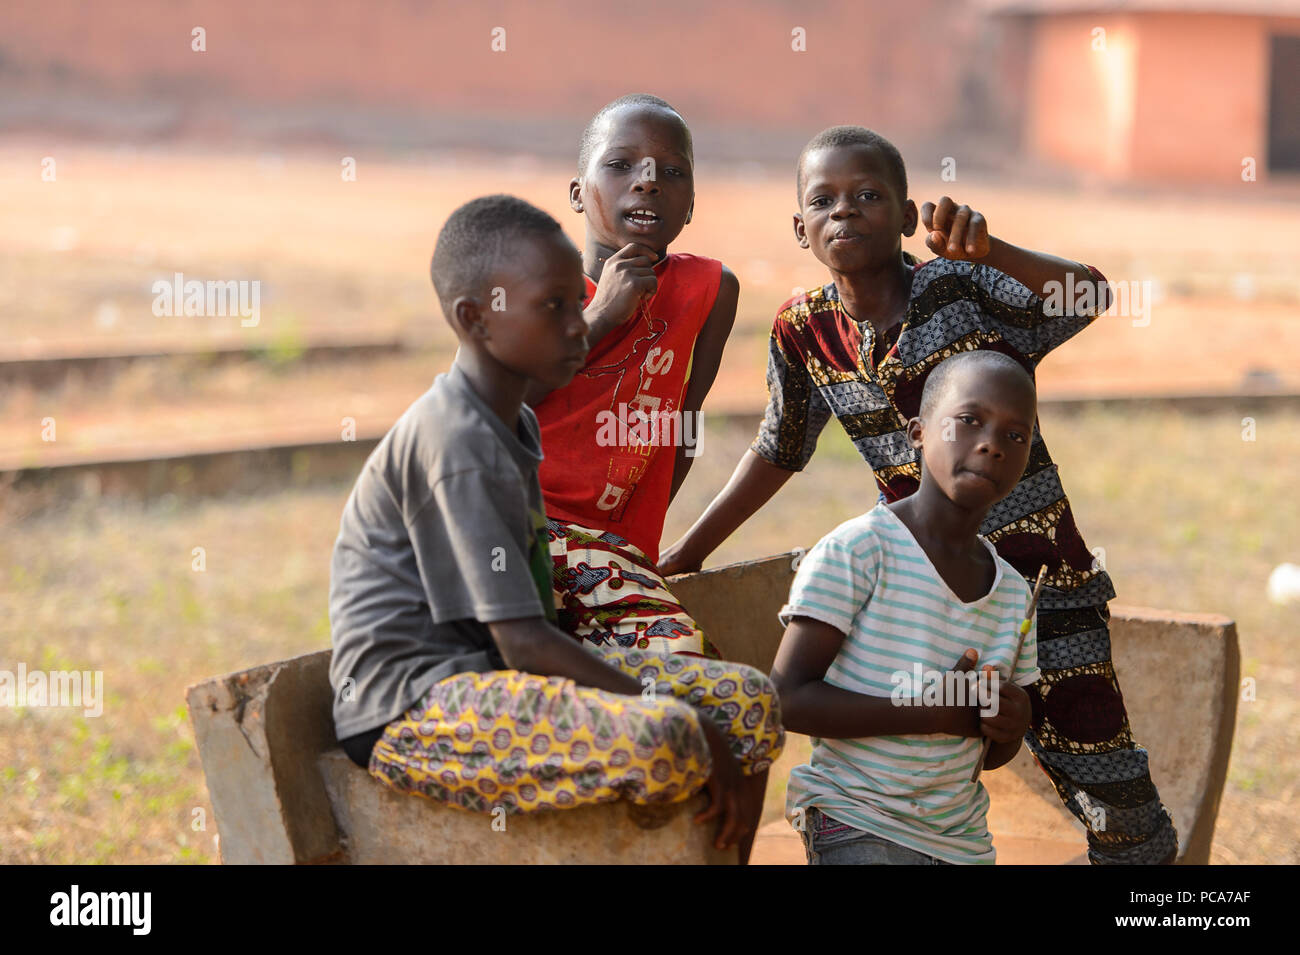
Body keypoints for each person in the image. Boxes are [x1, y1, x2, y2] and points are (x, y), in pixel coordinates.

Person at [660, 126, 1178, 865]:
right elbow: (781, 446)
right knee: (932, 751)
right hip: (917, 591)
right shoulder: (803, 330)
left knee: (1103, 774)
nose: (845, 211)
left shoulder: (959, 286)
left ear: (907, 217)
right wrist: (689, 549)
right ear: (800, 227)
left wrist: (989, 250)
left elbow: (1089, 293)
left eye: (869, 195)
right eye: (824, 200)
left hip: (1039, 585)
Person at [326, 195, 782, 860]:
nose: (579, 326)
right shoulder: (456, 438)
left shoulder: (515, 422)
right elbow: (524, 642)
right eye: (554, 307)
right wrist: (685, 720)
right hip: (412, 705)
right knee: (672, 735)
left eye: (578, 301)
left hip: (489, 676)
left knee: (746, 699)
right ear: (474, 319)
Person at [772, 350, 1040, 864]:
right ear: (918, 432)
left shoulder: (1012, 594)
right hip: (856, 817)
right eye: (969, 421)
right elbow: (787, 699)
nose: (991, 445)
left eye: (1016, 435)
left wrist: (1013, 722)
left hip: (962, 842)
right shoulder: (860, 551)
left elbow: (987, 751)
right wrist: (929, 712)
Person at [526, 93, 739, 660]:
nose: (647, 182)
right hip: (515, 528)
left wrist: (635, 536)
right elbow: (486, 406)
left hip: (614, 556)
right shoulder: (534, 287)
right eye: (620, 166)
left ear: (690, 203)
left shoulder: (710, 292)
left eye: (672, 172)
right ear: (577, 193)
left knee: (698, 677)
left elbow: (683, 426)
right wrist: (598, 318)